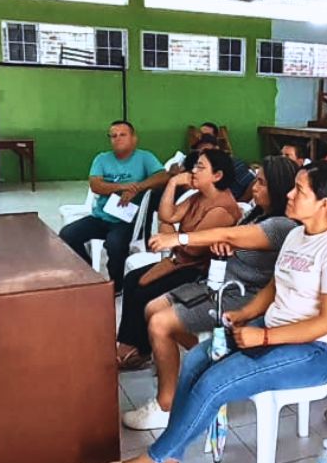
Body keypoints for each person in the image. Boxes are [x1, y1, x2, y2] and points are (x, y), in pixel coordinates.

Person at [87, 162, 327, 463]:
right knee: (198, 360)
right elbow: (276, 285)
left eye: (300, 190)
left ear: (324, 203)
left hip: (312, 351)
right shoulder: (298, 234)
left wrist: (264, 338)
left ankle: (153, 461)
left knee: (215, 382)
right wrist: (247, 314)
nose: (290, 195)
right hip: (270, 328)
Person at [123, 156, 300, 430]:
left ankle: (166, 405)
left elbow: (227, 235)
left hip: (244, 295)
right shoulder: (257, 213)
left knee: (160, 323)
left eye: (262, 183)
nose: (254, 187)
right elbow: (235, 239)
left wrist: (179, 238)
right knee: (151, 308)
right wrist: (227, 248)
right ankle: (205, 360)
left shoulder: (282, 225)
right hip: (220, 284)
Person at [114, 149, 243, 368]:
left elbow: (193, 250)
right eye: (194, 166)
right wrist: (173, 182)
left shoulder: (221, 208)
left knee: (145, 291)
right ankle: (132, 345)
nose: (193, 171)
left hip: (199, 271)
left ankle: (139, 350)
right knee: (131, 279)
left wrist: (170, 237)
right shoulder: (199, 196)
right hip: (180, 261)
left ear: (217, 176)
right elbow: (167, 215)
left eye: (201, 167)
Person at [58, 121, 168, 284]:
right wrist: (122, 187)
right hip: (101, 217)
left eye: (123, 135)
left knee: (115, 245)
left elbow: (163, 176)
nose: (118, 139)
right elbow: (95, 185)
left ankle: (116, 284)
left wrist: (137, 188)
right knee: (67, 234)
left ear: (134, 138)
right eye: (113, 136)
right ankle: (90, 275)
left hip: (127, 220)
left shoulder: (145, 157)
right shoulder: (102, 159)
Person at [201, 122, 256, 201]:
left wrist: (241, 202)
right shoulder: (196, 163)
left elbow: (253, 183)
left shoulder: (233, 164)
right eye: (201, 135)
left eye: (207, 136)